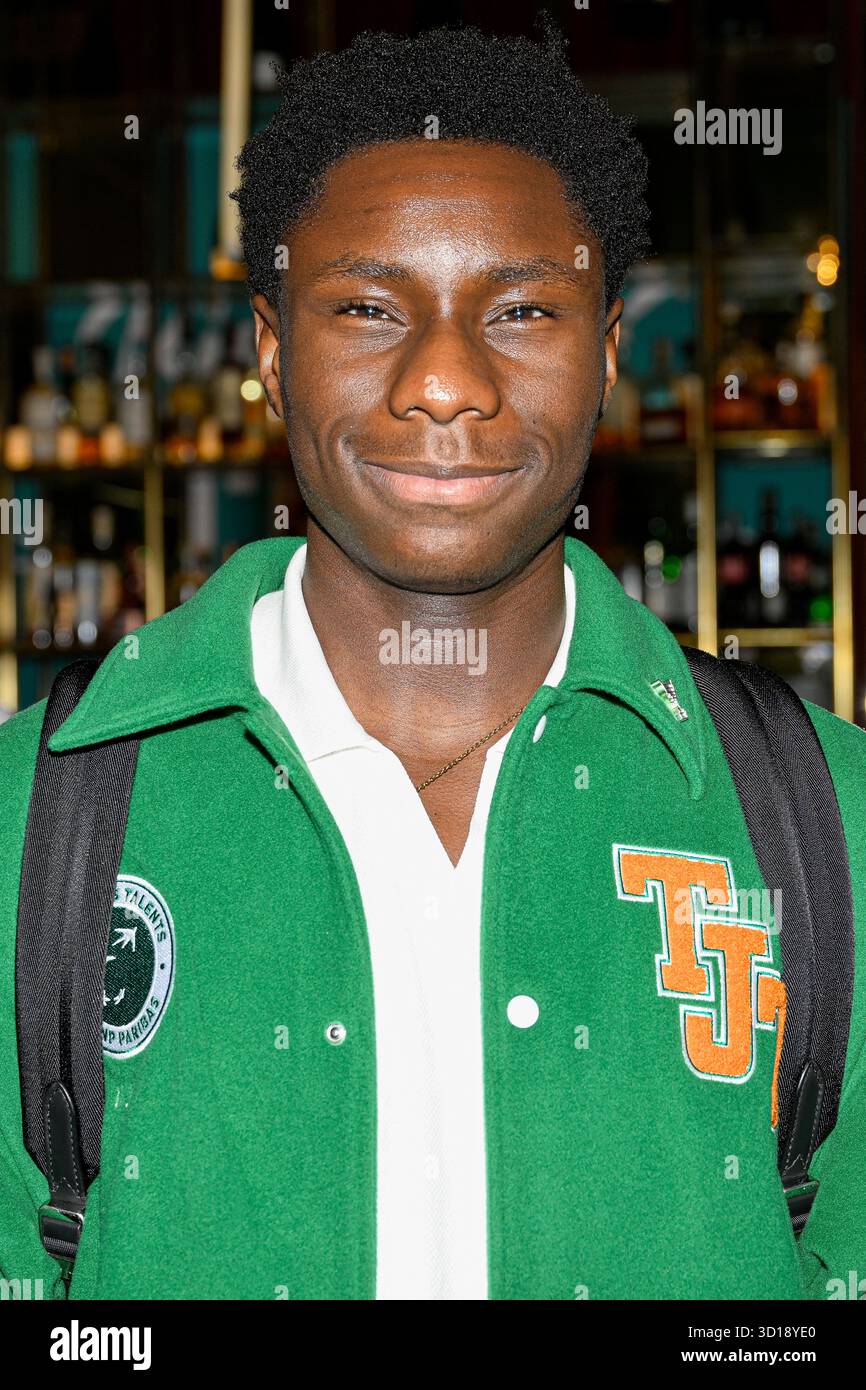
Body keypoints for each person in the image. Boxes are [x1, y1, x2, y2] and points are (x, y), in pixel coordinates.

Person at [1, 17, 864, 1302]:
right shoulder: (37, 812)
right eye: (365, 306)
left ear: (611, 354)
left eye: (520, 307)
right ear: (271, 352)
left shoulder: (824, 815)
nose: (445, 380)